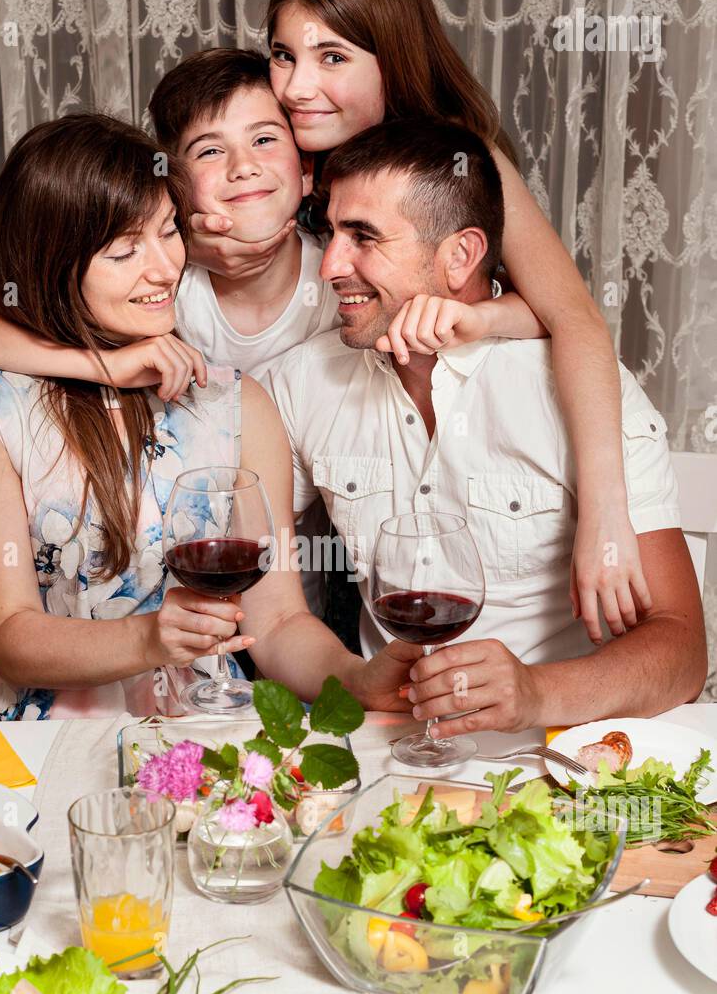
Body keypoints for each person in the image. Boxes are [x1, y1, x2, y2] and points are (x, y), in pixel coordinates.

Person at [0, 43, 544, 710]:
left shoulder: (246, 392)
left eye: (166, 234)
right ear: (54, 262)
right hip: (39, 732)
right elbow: (12, 633)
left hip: (211, 721)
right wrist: (148, 638)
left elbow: (275, 621)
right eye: (125, 250)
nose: (160, 268)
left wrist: (359, 681)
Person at [188, 0, 649, 646]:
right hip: (286, 476)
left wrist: (605, 515)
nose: (295, 87)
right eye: (283, 55)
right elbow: (84, 281)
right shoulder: (269, 145)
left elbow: (573, 317)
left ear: (393, 60)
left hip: (373, 497)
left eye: (332, 57)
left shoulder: (457, 160)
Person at [265, 119, 707, 734]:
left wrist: (534, 692)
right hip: (385, 751)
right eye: (330, 231)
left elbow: (682, 651)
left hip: (553, 762)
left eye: (363, 237)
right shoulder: (299, 383)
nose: (329, 266)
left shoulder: (579, 392)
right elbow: (273, 613)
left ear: (460, 256)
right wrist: (356, 679)